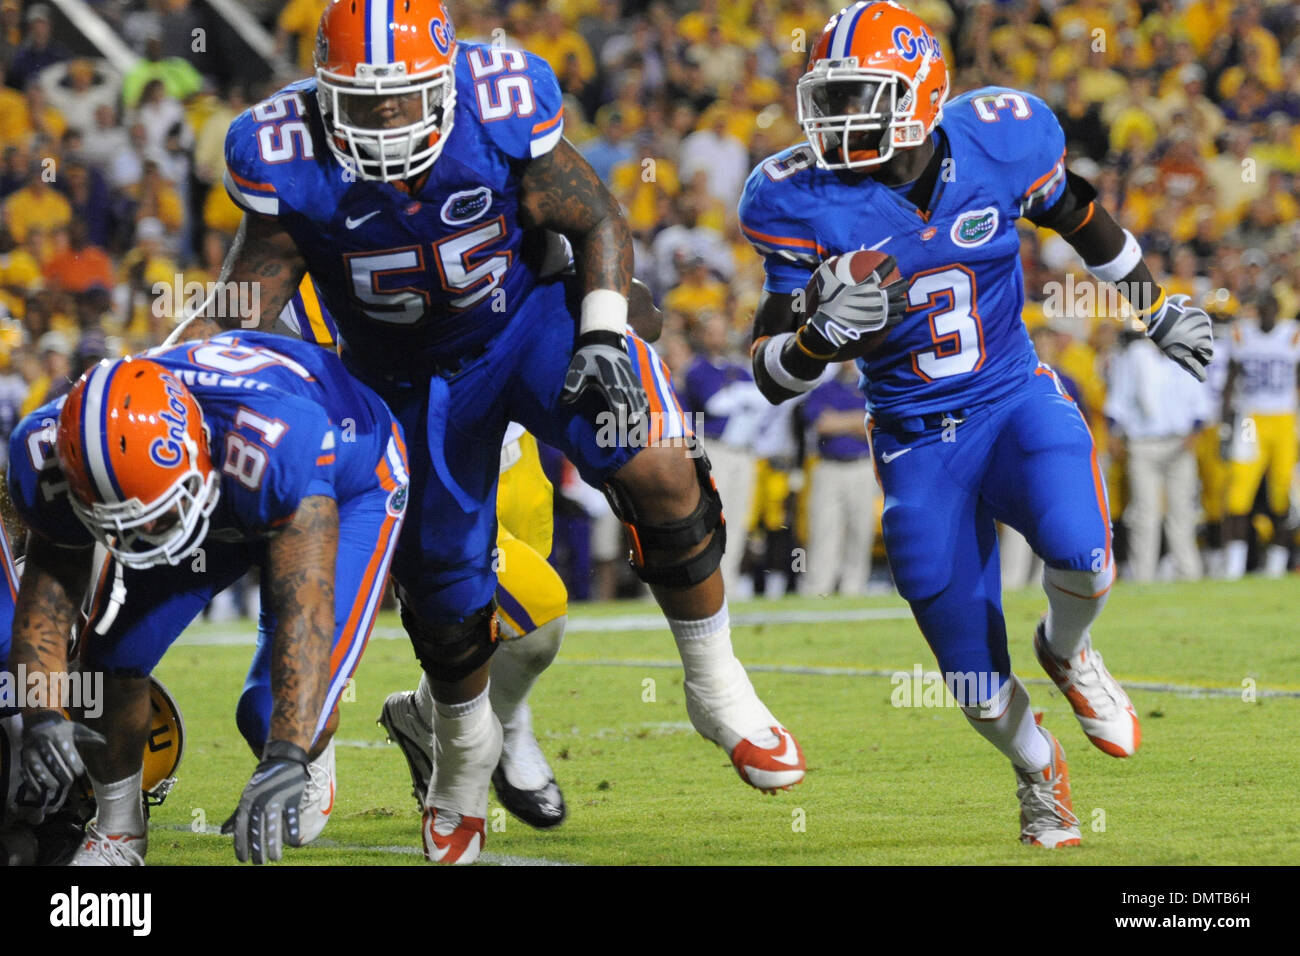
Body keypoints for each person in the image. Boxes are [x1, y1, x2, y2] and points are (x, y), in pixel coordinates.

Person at [174, 0, 803, 865]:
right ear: (323, 94)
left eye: (403, 97)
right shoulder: (281, 148)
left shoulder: (502, 96)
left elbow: (594, 218)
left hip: (527, 326)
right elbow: (249, 304)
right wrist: (184, 385)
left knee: (657, 455)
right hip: (399, 378)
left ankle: (715, 681)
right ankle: (463, 759)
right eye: (363, 101)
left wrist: (603, 330)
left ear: (445, 78)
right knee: (445, 590)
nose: (387, 118)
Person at [740, 1, 1212, 847]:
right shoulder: (797, 197)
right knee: (971, 678)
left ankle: (1067, 650)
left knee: (1084, 548)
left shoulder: (1002, 137)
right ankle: (1038, 769)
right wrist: (815, 339)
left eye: (860, 98)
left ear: (919, 94)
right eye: (831, 99)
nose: (839, 120)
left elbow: (1079, 217)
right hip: (915, 442)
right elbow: (768, 371)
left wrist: (1157, 307)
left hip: (1012, 397)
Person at [7, 332, 408, 864]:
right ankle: (120, 830)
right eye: (120, 529)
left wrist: (286, 752)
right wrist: (41, 716)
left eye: (155, 521)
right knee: (105, 667)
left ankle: (337, 742)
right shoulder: (49, 453)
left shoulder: (276, 444)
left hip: (350, 476)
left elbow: (302, 612)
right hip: (209, 487)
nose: (141, 544)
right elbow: (45, 612)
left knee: (269, 714)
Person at [1219, 293, 1300, 578]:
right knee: (1238, 492)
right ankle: (1233, 566)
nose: (1266, 313)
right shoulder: (1242, 334)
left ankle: (1276, 566)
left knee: (1282, 493)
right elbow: (1231, 380)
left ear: (1279, 310)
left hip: (1283, 418)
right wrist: (1225, 421)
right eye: (1262, 308)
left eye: (1271, 308)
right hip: (1249, 419)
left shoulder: (1293, 334)